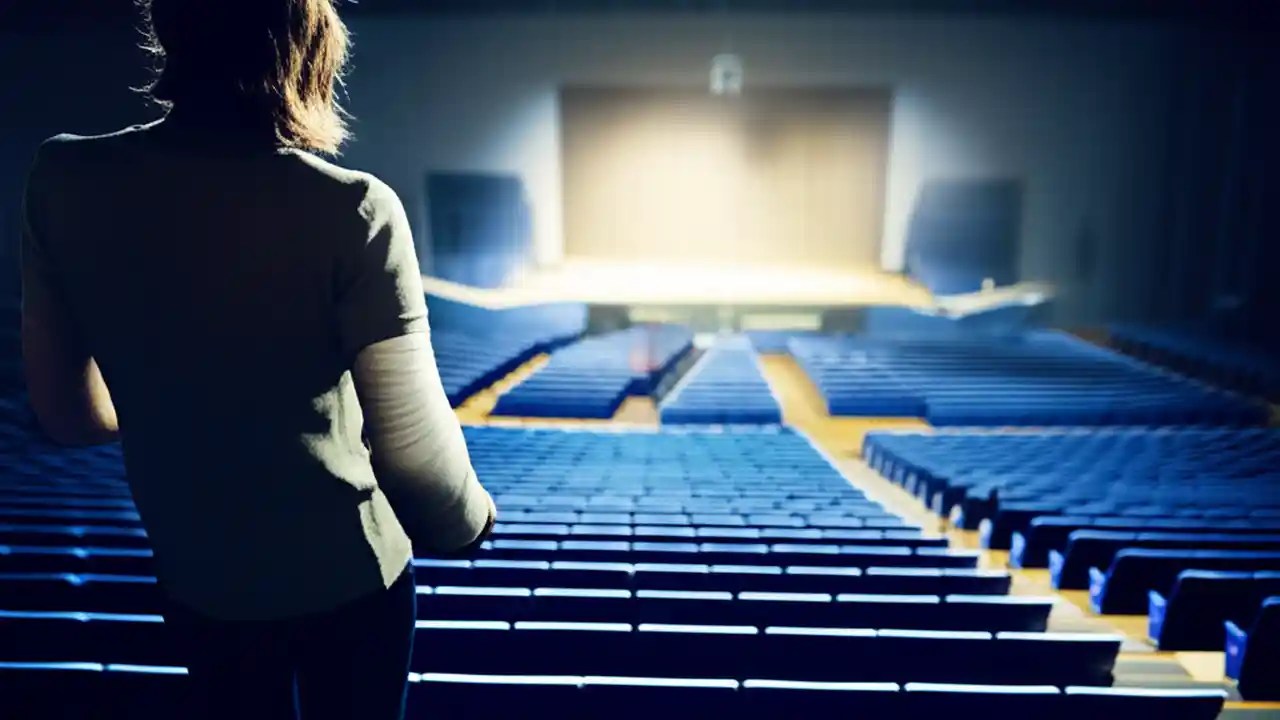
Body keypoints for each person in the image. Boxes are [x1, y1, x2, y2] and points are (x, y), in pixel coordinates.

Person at [19, 0, 496, 717]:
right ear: (305, 48)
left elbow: (69, 416)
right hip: (350, 583)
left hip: (198, 578)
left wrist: (176, 394)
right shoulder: (355, 210)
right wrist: (471, 522)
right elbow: (414, 457)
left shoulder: (63, 179)